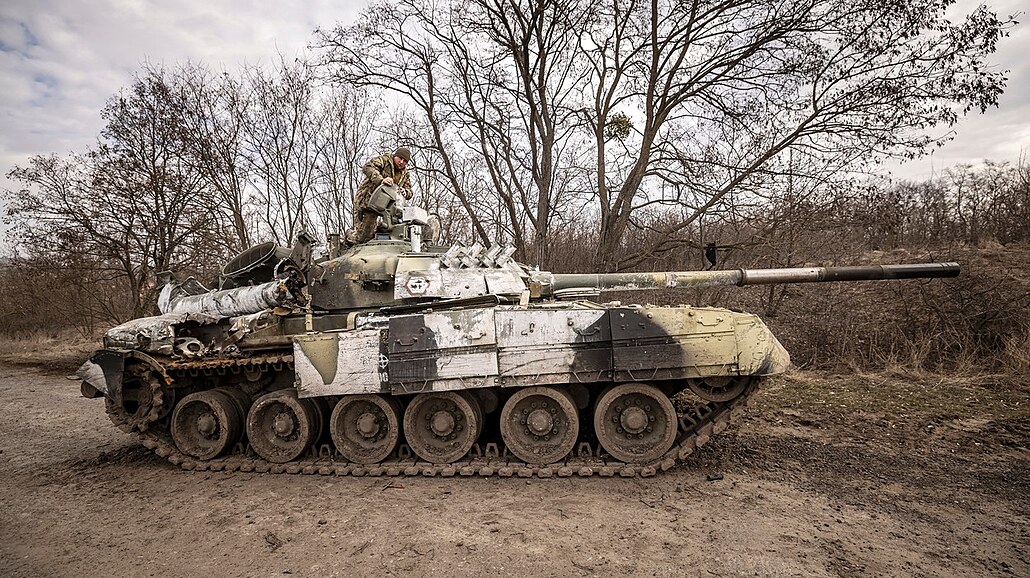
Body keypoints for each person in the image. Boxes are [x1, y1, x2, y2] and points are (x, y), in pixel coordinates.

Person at [346, 147, 413, 245]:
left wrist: (405, 192)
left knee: (388, 232)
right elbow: (367, 167)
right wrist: (381, 179)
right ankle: (348, 236)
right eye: (400, 158)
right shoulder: (385, 160)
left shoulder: (405, 174)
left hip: (387, 209)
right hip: (367, 201)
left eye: (405, 161)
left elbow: (410, 191)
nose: (401, 162)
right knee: (361, 237)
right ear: (395, 156)